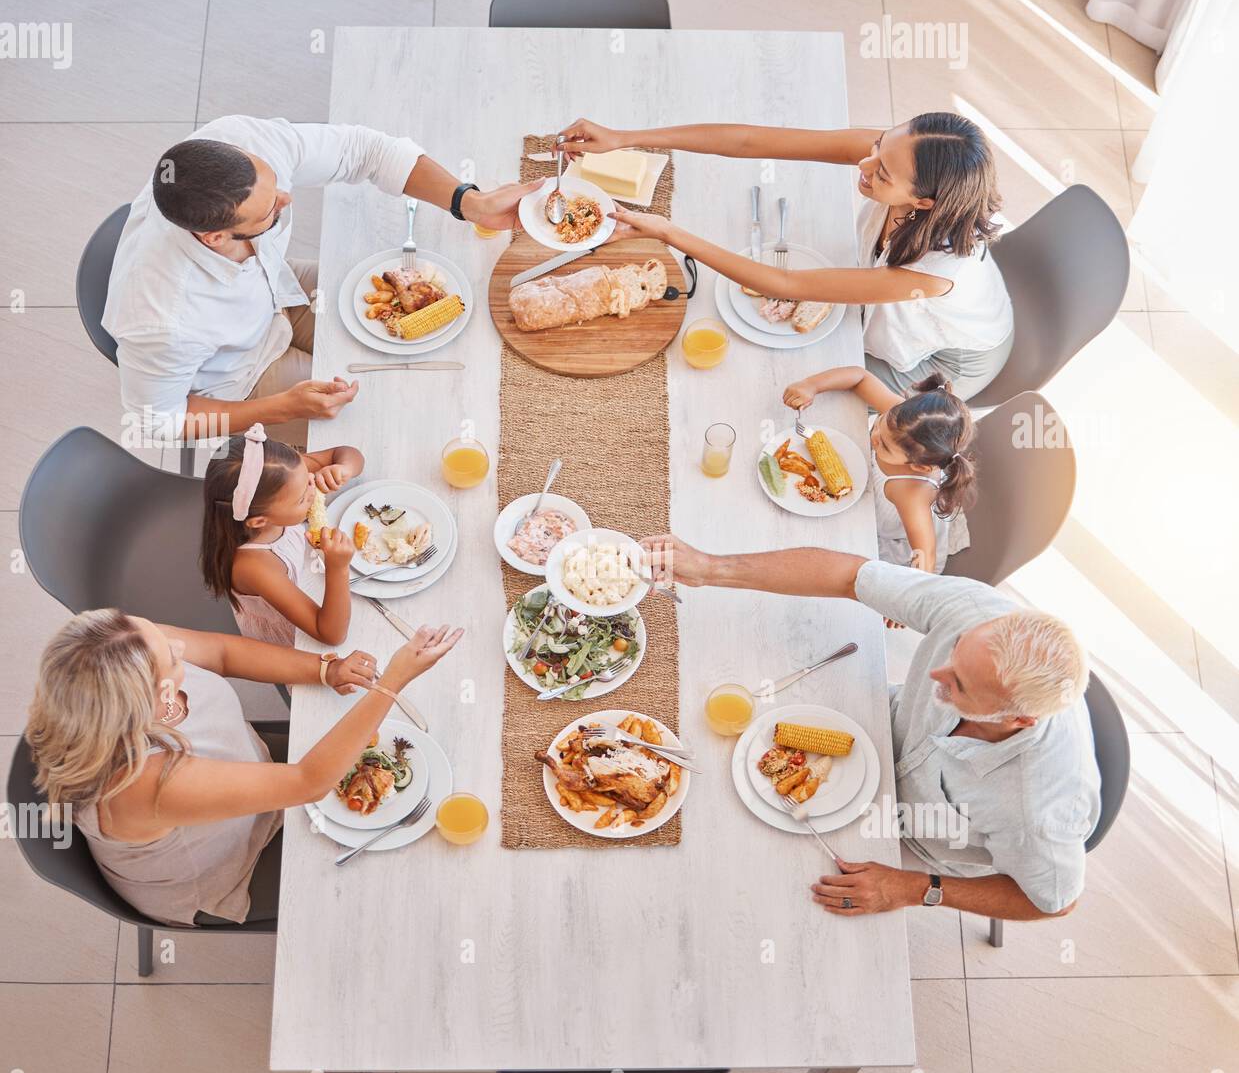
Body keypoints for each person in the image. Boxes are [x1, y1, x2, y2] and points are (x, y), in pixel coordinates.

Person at [641, 535, 1100, 922]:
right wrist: (711, 567)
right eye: (955, 649)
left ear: (1017, 720)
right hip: (876, 729)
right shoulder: (980, 612)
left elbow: (1054, 901)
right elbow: (850, 576)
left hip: (915, 839)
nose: (935, 672)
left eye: (958, 684)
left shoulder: (1040, 809)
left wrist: (914, 888)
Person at [104, 114, 538, 446]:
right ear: (215, 237)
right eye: (271, 210)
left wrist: (469, 202)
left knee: (430, 349)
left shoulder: (242, 140)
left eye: (274, 185)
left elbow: (369, 151)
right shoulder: (161, 321)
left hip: (277, 290)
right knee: (382, 424)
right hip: (239, 376)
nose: (287, 199)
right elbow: (156, 422)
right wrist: (279, 408)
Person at [26, 609, 462, 927]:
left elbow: (220, 652)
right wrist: (392, 682)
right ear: (157, 698)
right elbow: (309, 782)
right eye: (173, 659)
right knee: (402, 878)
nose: (179, 647)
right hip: (232, 867)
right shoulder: (142, 784)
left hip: (255, 772)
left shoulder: (124, 648)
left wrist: (324, 670)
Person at [559, 112, 1014, 402]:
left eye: (883, 173)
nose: (864, 164)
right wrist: (625, 138)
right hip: (901, 305)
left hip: (943, 362)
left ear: (924, 202)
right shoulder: (903, 156)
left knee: (791, 381)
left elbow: (787, 285)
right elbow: (750, 142)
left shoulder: (936, 271)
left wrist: (668, 232)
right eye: (878, 146)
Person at [784, 366, 975, 574]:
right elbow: (860, 377)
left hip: (887, 537)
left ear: (919, 466)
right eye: (879, 423)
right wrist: (811, 385)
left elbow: (925, 555)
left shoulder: (911, 493)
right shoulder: (900, 422)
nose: (875, 437)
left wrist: (913, 582)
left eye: (884, 445)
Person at [200, 422, 363, 647]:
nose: (313, 488)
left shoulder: (284, 473)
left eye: (308, 479)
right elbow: (330, 634)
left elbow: (347, 453)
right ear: (259, 521)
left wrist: (343, 469)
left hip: (308, 580)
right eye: (301, 499)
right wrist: (338, 568)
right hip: (292, 640)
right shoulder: (254, 566)